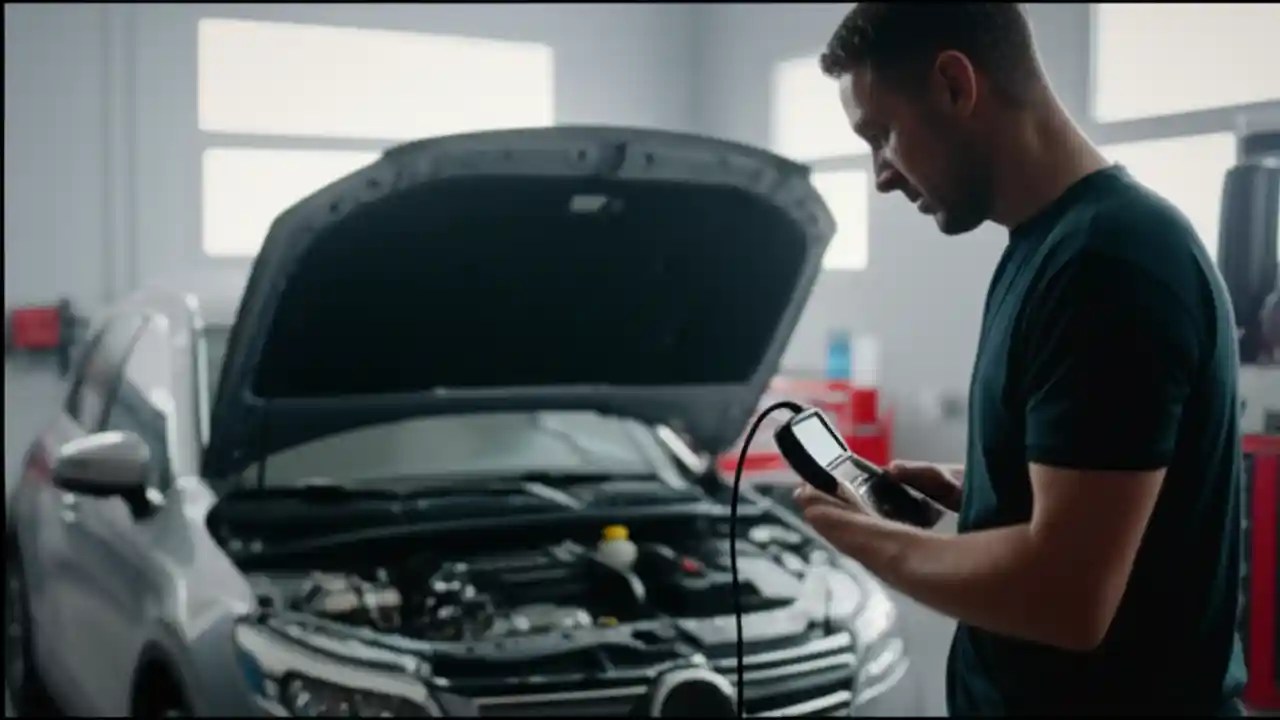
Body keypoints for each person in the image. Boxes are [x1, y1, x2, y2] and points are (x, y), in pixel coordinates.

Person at [792, 3, 1248, 716]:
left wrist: (861, 538)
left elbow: (1066, 597)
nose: (881, 174)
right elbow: (1113, 491)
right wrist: (982, 489)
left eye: (881, 135)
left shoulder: (1109, 262)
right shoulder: (1051, 246)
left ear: (954, 84)